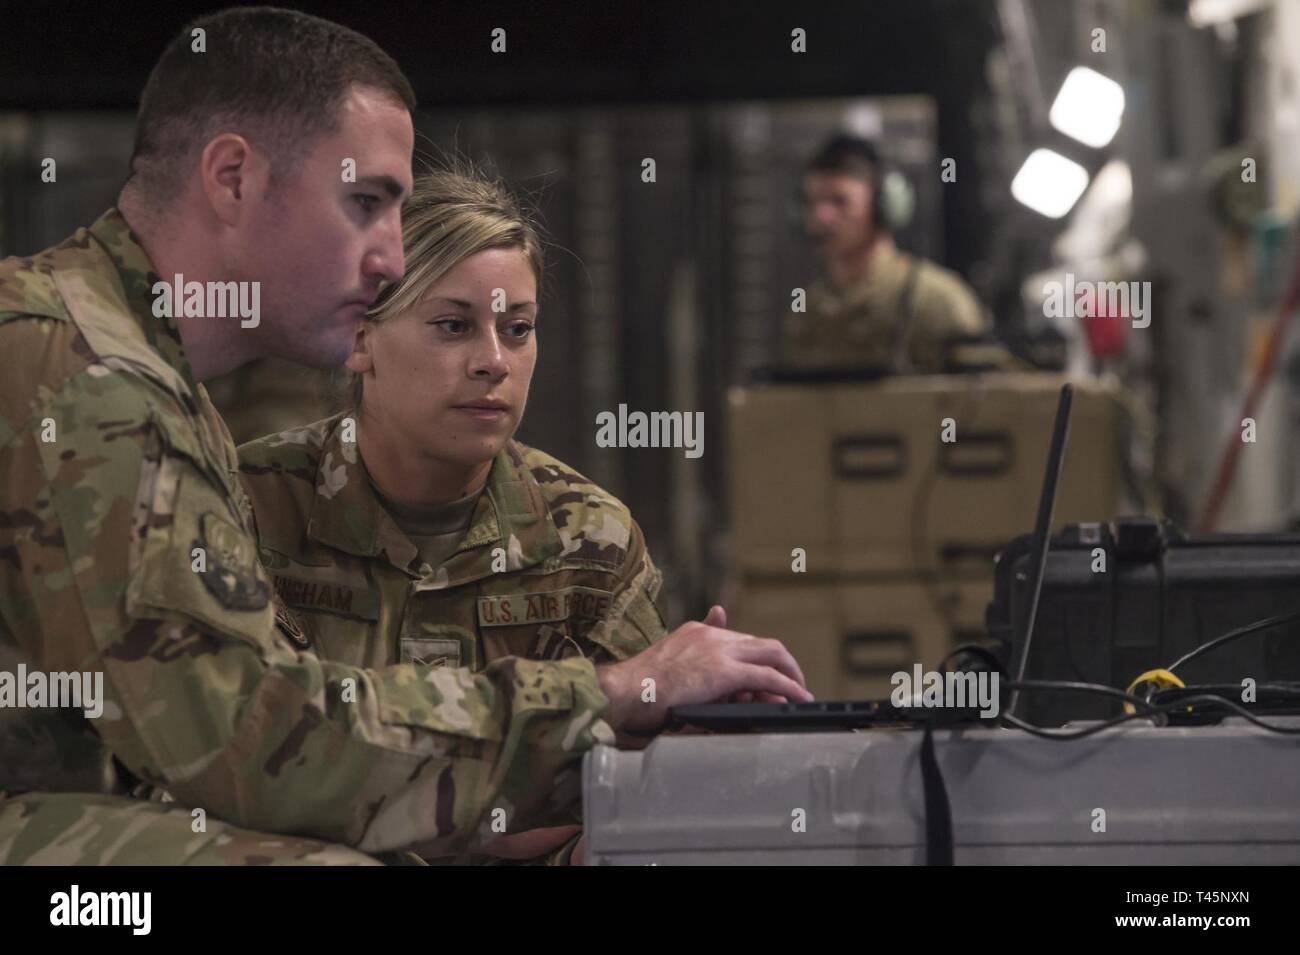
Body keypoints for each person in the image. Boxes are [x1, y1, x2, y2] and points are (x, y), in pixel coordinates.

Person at [0, 7, 810, 865]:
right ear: (232, 178)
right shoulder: (89, 375)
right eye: (365, 203)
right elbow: (249, 741)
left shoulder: (140, 372)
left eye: (520, 327)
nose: (389, 258)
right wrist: (610, 693)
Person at [238, 166, 810, 864]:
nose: (493, 362)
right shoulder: (252, 507)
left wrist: (695, 744)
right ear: (360, 338)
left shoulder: (587, 539)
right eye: (453, 326)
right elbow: (235, 767)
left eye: (518, 329)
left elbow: (617, 806)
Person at [782, 134, 990, 373]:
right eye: (812, 203)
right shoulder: (810, 312)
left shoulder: (935, 300)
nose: (821, 217)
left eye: (840, 202)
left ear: (884, 207)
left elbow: (980, 398)